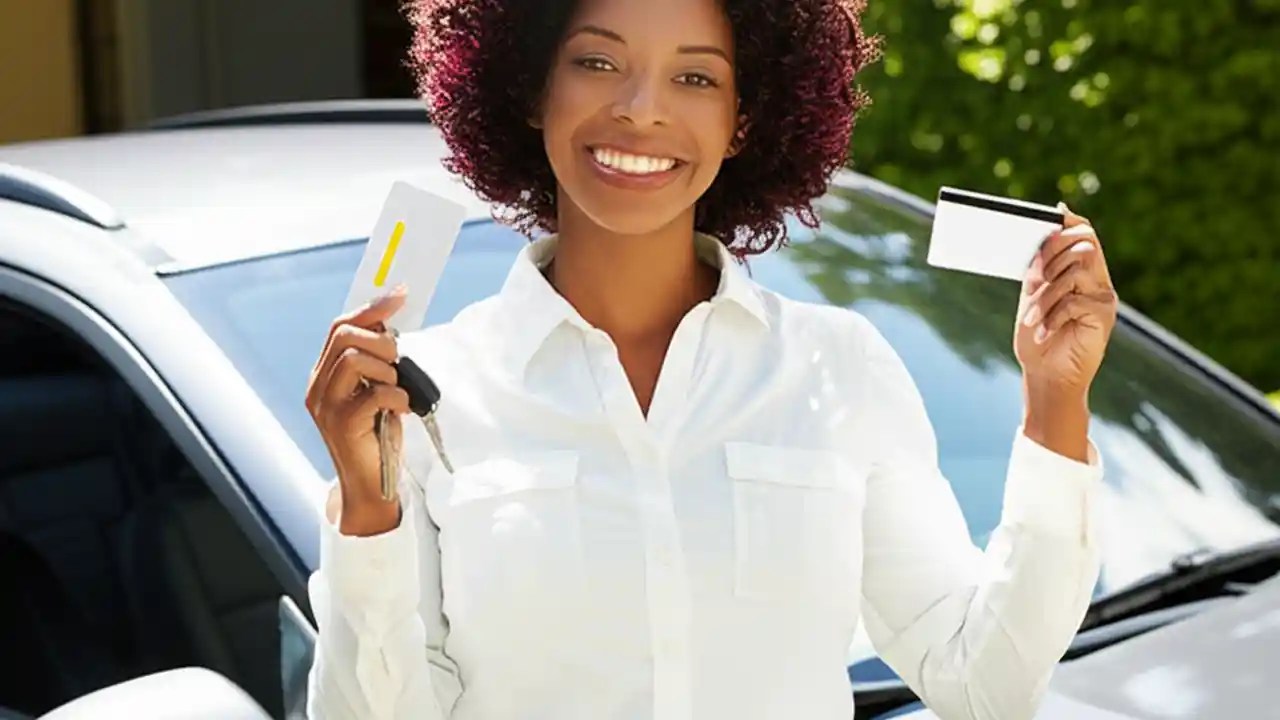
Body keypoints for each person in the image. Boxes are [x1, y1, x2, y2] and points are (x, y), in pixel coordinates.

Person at [302, 0, 1117, 717]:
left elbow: (986, 687)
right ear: (529, 87)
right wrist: (369, 517)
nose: (641, 110)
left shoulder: (839, 370)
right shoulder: (427, 401)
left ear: (746, 118)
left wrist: (1055, 403)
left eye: (696, 78)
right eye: (596, 61)